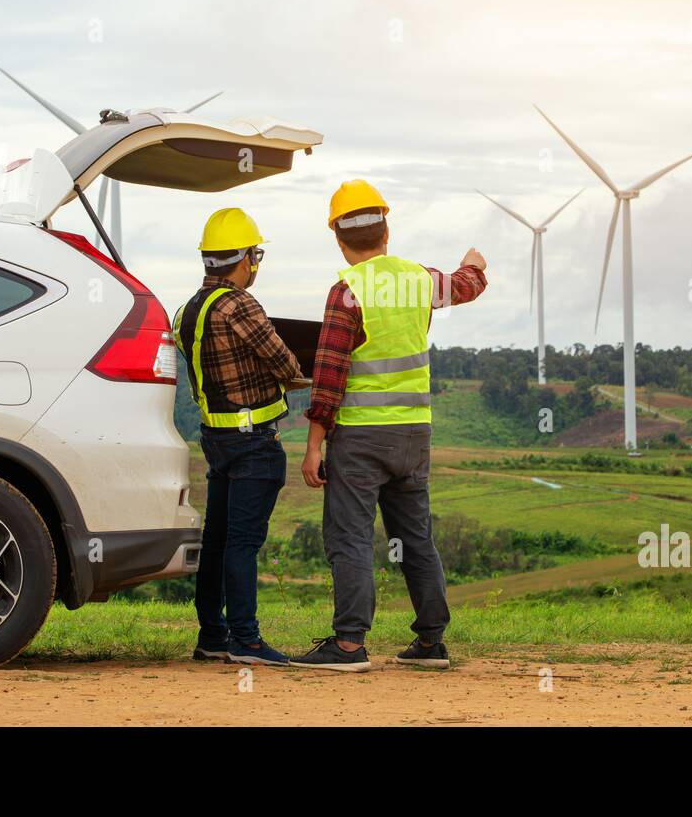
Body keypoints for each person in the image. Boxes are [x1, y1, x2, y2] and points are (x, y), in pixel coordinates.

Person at [290, 180, 487, 671]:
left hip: (360, 439)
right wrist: (476, 263)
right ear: (387, 228)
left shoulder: (347, 292)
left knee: (350, 537)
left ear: (338, 236)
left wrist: (313, 446)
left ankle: (350, 645)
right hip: (414, 435)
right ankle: (430, 643)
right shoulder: (419, 279)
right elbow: (467, 284)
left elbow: (328, 378)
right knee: (415, 537)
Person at [174, 207, 305, 666]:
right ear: (246, 257)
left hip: (216, 439)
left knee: (217, 540)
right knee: (243, 544)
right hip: (254, 443)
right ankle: (245, 640)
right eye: (255, 256)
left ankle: (212, 635)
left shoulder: (188, 308)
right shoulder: (241, 305)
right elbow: (286, 365)